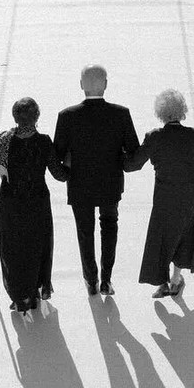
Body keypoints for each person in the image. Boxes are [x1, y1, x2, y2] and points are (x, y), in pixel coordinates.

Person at [53, 65, 139, 297]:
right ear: (105, 84)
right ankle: (107, 279)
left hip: (80, 184)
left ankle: (91, 281)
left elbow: (56, 156)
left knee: (85, 231)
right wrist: (120, 161)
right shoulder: (121, 113)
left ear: (81, 84)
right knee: (109, 227)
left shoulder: (67, 116)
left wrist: (68, 168)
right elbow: (134, 151)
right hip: (110, 183)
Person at [126, 89, 194, 300]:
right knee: (184, 235)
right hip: (189, 194)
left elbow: (133, 164)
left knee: (160, 237)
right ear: (182, 111)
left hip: (165, 195)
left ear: (161, 113)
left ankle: (163, 283)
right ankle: (176, 279)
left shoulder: (155, 137)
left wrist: (119, 155)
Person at [0, 97, 67, 314]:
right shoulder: (44, 142)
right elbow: (59, 175)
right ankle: (36, 289)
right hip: (37, 202)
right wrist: (70, 163)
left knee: (13, 248)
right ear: (37, 117)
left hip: (11, 203)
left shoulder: (5, 140)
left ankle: (18, 294)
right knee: (37, 247)